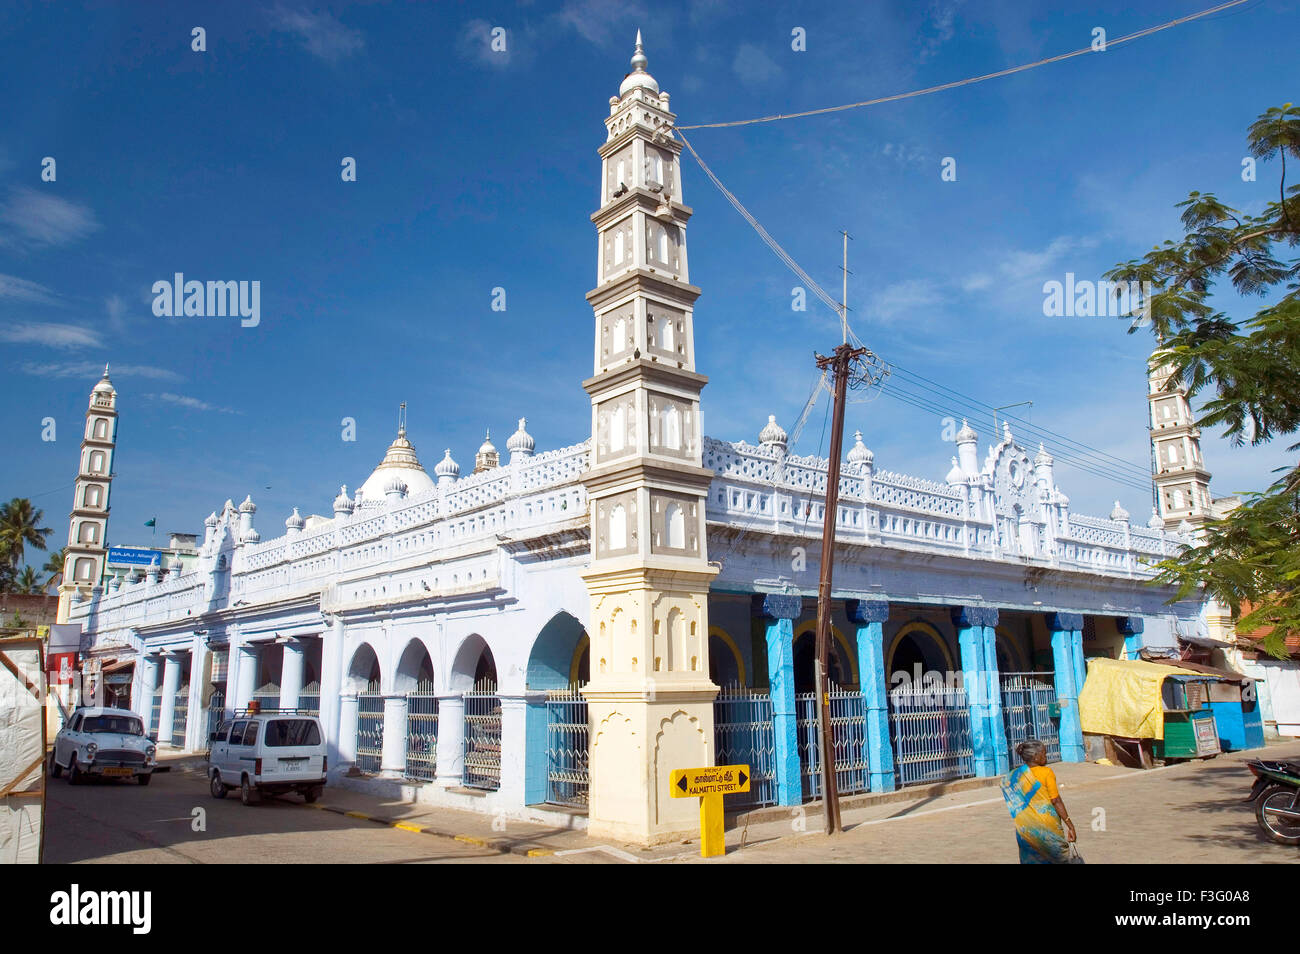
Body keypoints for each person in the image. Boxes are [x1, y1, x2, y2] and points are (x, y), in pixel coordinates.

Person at [1001, 739, 1078, 864]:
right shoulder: (1046, 772)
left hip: (1026, 830)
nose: (1046, 757)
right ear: (1036, 757)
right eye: (1044, 754)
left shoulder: (1014, 776)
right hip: (1048, 828)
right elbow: (1056, 800)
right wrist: (1070, 825)